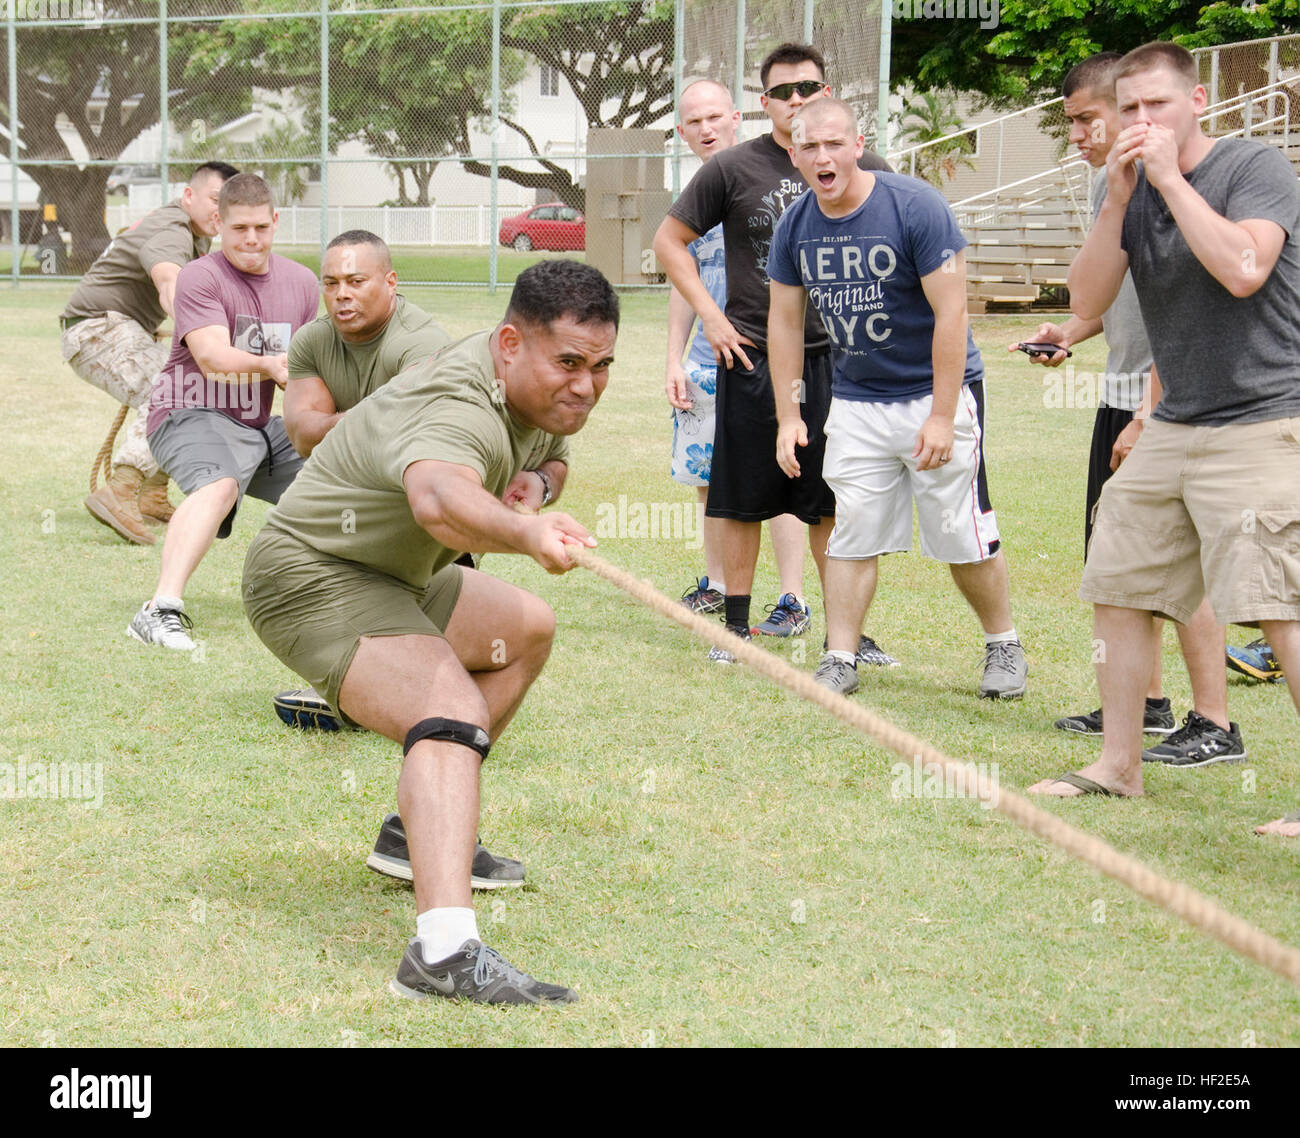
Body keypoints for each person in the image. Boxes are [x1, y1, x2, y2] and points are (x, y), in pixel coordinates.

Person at [242, 259, 618, 1003]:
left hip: (398, 574)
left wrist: (536, 486)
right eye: (569, 363)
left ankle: (411, 838)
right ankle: (442, 955)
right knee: (450, 714)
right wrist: (525, 531)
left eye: (601, 366)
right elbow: (438, 501)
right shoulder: (461, 400)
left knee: (528, 629)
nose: (584, 386)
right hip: (312, 574)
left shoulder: (530, 389)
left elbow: (555, 455)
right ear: (509, 344)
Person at [1032, 42, 1300, 840]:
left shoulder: (1254, 167)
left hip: (1264, 416)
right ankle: (1119, 766)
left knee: (1278, 605)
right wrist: (1117, 202)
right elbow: (1085, 298)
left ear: (1199, 101)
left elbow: (1246, 268)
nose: (1143, 123)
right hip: (1177, 418)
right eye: (1132, 109)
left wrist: (1172, 184)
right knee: (1118, 581)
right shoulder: (1125, 189)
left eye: (1158, 106)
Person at [1010, 53, 1244, 763]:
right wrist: (1072, 331)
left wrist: (1152, 412)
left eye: (1088, 118)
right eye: (1071, 121)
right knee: (1120, 561)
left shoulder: (1195, 184)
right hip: (1123, 396)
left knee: (1177, 565)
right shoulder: (1107, 187)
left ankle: (1215, 721)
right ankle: (1145, 702)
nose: (1078, 133)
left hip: (1175, 405)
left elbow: (1197, 314)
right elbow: (1117, 294)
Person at [767, 99, 1025, 699]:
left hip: (933, 391)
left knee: (962, 531)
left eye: (835, 143)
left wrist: (941, 414)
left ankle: (1004, 646)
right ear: (794, 154)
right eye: (810, 147)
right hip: (856, 398)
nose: (823, 157)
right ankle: (840, 656)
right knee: (852, 530)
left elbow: (952, 311)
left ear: (859, 144)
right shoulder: (795, 225)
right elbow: (783, 321)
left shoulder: (915, 206)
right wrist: (787, 415)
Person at [653, 42, 897, 666]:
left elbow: (907, 244)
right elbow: (669, 241)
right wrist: (712, 319)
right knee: (739, 496)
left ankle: (848, 638)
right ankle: (733, 632)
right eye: (782, 91)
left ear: (827, 93)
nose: (796, 100)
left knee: (828, 501)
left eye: (808, 88)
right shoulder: (733, 168)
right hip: (753, 358)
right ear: (763, 104)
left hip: (838, 362)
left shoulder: (865, 164)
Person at [126, 172, 319, 651]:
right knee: (220, 482)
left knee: (341, 475)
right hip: (187, 410)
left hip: (257, 426)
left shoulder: (302, 282)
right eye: (239, 229)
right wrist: (274, 366)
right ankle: (158, 611)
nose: (251, 239)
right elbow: (212, 359)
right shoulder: (200, 276)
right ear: (219, 224)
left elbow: (316, 363)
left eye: (260, 227)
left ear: (275, 222)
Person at [666, 79, 812, 635]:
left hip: (764, 354)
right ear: (683, 133)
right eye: (694, 121)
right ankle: (718, 585)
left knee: (777, 475)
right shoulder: (696, 192)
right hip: (708, 358)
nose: (706, 129)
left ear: (736, 116)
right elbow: (684, 280)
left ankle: (792, 598)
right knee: (713, 479)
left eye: (714, 117)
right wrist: (674, 359)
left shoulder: (767, 176)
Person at [61, 162, 239, 545]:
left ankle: (152, 493)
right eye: (214, 200)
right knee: (179, 387)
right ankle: (122, 489)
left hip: (111, 327)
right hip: (96, 329)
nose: (219, 212)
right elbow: (169, 281)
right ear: (188, 196)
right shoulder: (172, 230)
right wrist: (197, 339)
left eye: (228, 205)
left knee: (193, 388)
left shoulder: (193, 233)